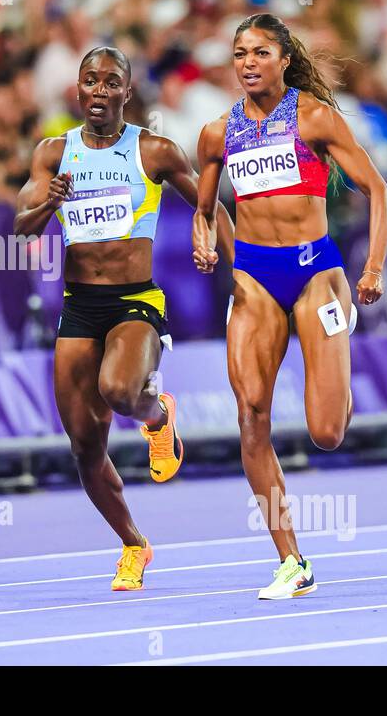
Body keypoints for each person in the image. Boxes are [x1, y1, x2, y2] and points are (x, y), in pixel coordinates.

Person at [15, 46, 233, 592]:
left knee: (118, 389)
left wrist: (240, 269)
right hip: (78, 305)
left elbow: (212, 206)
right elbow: (22, 228)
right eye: (90, 80)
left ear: (126, 93)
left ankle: (156, 414)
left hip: (136, 300)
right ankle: (133, 545)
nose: (99, 91)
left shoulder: (154, 151)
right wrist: (49, 203)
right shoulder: (52, 153)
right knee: (86, 448)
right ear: (79, 90)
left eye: (111, 82)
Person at [194, 13, 387, 600]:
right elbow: (204, 208)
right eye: (239, 53)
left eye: (260, 52)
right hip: (254, 278)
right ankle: (292, 560)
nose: (248, 62)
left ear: (284, 59)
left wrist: (374, 266)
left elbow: (379, 191)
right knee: (251, 415)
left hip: (315, 275)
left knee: (326, 432)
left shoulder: (315, 118)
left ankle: (339, 357)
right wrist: (203, 235)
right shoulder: (215, 133)